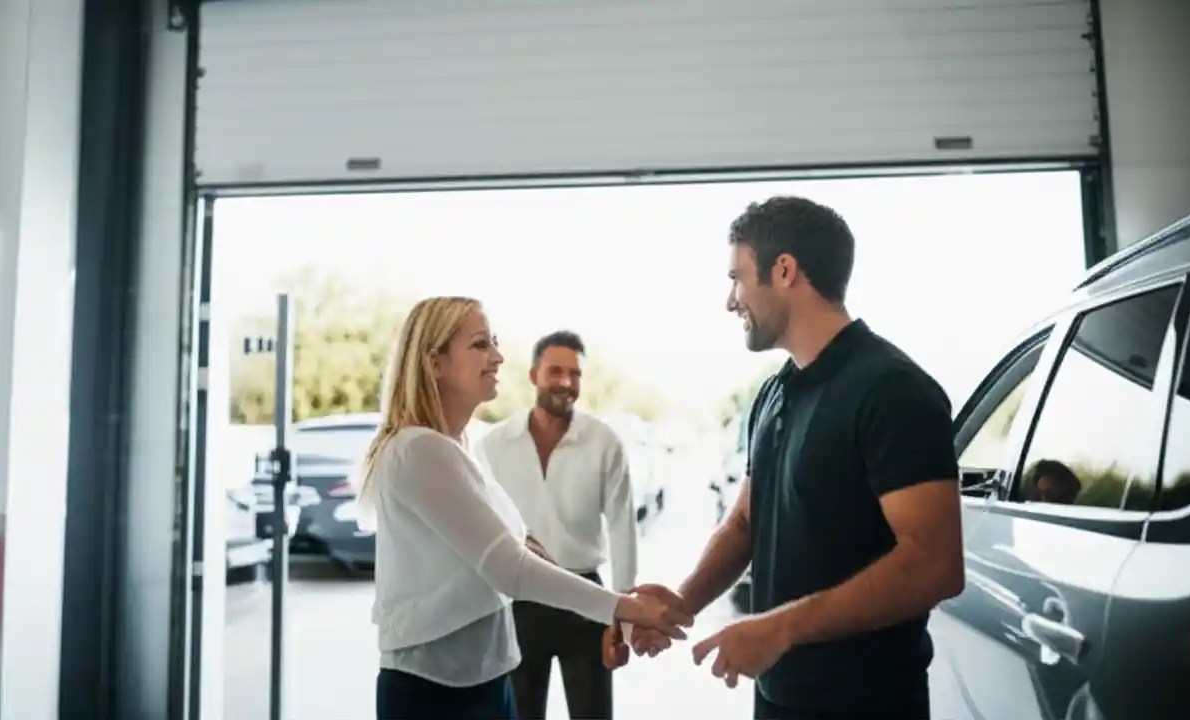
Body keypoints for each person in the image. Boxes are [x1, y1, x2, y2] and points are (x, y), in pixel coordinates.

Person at [604, 197, 965, 719]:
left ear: (785, 270)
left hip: (869, 704)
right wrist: (683, 604)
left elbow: (935, 565)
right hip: (779, 696)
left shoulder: (893, 390)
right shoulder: (773, 394)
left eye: (737, 279)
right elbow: (748, 522)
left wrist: (781, 626)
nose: (731, 301)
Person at [357, 296, 692, 720]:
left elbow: (526, 548)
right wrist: (626, 609)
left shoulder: (457, 447)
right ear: (434, 363)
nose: (498, 356)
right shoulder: (419, 450)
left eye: (494, 342)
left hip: (486, 677)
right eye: (480, 344)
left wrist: (621, 609)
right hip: (437, 690)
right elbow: (509, 568)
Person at [477, 330, 638, 720]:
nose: (565, 383)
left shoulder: (604, 442)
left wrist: (622, 624)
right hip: (519, 605)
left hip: (585, 602)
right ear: (534, 375)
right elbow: (482, 532)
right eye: (555, 371)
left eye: (574, 374)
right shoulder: (495, 445)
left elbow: (622, 531)